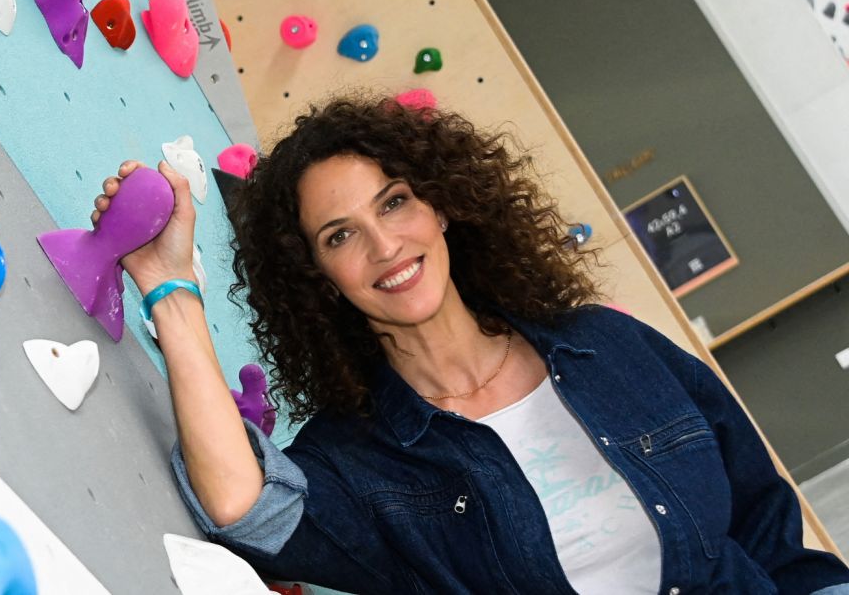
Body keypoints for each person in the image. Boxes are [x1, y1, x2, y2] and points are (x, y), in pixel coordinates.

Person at [91, 97, 849, 594]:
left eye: (395, 202)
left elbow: (762, 515)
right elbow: (240, 506)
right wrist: (169, 284)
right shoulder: (361, 460)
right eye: (341, 235)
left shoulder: (606, 346)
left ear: (442, 204)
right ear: (317, 277)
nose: (387, 246)